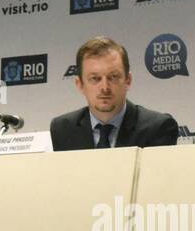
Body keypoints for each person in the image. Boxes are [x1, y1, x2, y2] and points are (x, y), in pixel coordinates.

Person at [50, 36, 179, 151]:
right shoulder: (63, 129)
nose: (105, 87)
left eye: (113, 77)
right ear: (80, 85)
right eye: (95, 79)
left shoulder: (157, 128)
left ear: (128, 81)